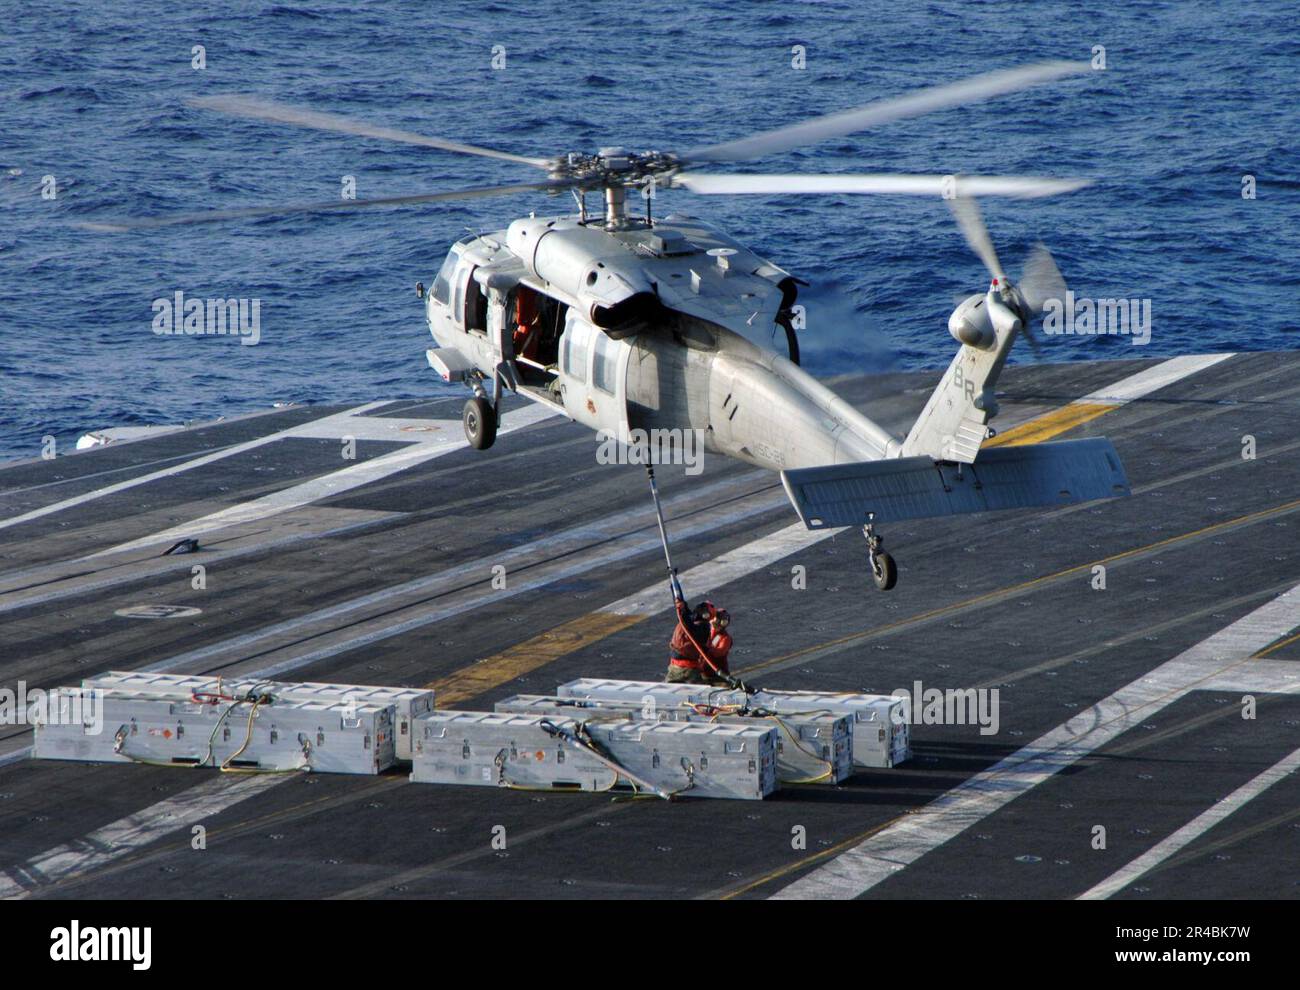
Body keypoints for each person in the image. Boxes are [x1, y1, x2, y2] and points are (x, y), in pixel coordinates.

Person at [665, 595, 733, 685]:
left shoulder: (709, 631)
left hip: (714, 673)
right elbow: (688, 620)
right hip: (692, 668)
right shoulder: (693, 624)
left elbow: (719, 652)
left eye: (723, 621)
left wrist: (682, 609)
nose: (719, 624)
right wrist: (683, 607)